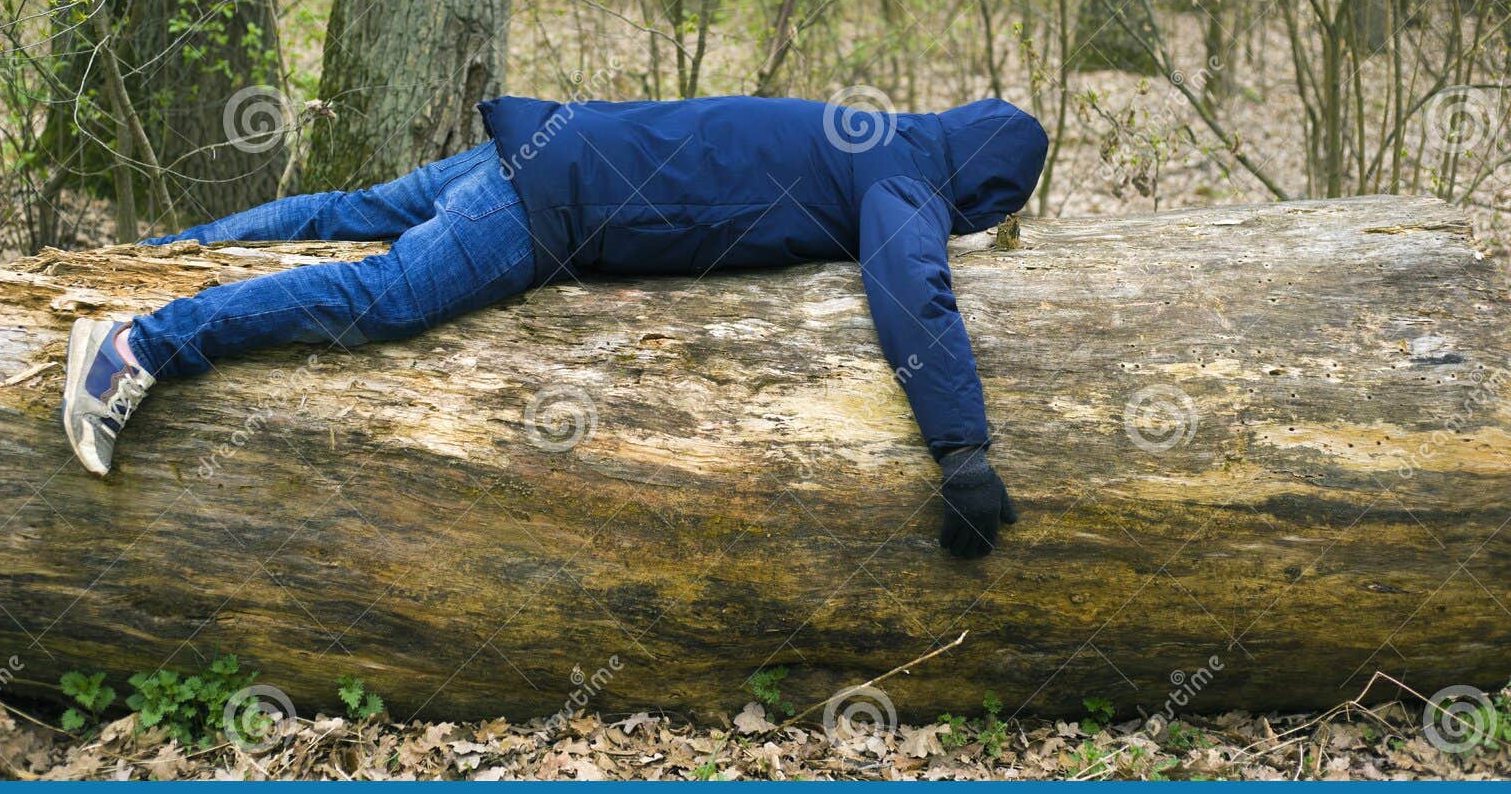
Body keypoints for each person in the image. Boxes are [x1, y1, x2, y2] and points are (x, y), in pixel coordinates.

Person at [62, 93, 1048, 558]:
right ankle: (138, 343)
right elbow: (912, 290)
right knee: (384, 296)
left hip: (550, 142)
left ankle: (136, 260)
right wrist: (960, 452)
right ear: (988, 186)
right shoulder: (904, 180)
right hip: (550, 204)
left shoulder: (881, 135)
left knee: (342, 209)